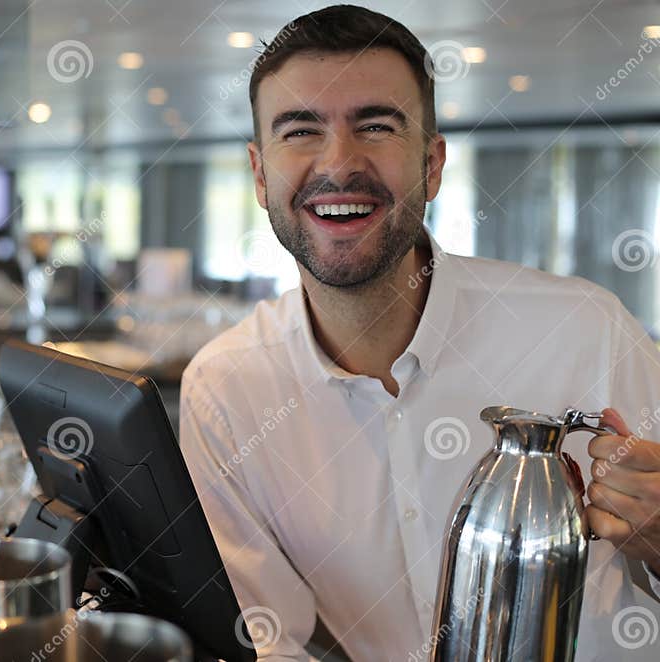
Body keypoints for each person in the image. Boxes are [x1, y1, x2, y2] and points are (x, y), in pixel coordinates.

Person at [179, 5, 660, 661]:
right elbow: (266, 641)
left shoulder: (585, 331)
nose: (339, 163)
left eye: (375, 125)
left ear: (432, 164)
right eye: (301, 131)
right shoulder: (226, 389)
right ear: (261, 174)